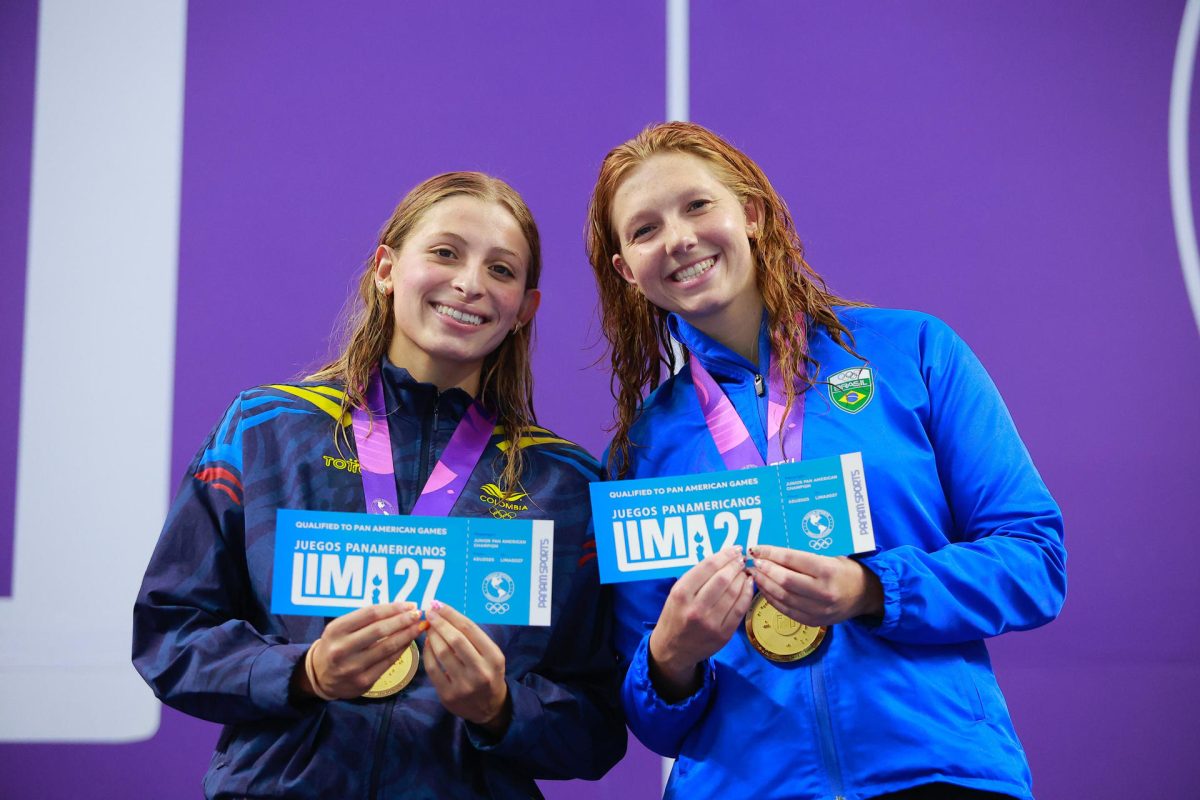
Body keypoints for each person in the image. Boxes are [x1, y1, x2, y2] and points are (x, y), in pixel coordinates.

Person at [585, 122, 1065, 800]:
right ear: (627, 271)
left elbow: (1035, 560)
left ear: (749, 213)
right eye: (644, 230)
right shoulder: (641, 448)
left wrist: (871, 591)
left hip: (936, 774)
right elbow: (654, 722)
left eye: (697, 205)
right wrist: (671, 655)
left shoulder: (913, 353)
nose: (679, 238)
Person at [134, 172, 626, 799]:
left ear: (524, 309)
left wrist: (501, 709)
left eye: (501, 270)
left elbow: (598, 723)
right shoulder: (268, 430)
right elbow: (170, 630)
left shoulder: (563, 484)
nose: (470, 283)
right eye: (445, 252)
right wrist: (303, 671)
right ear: (386, 268)